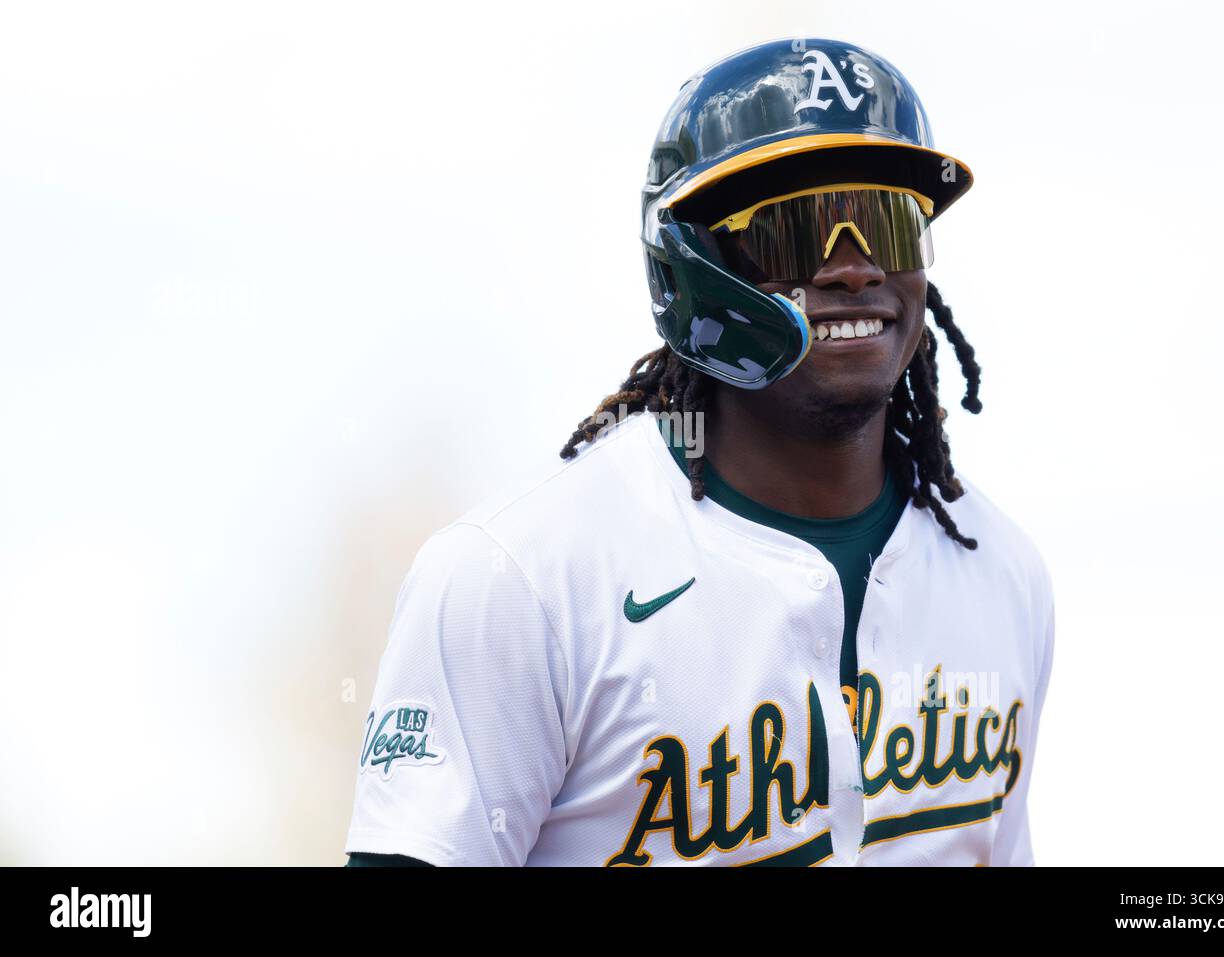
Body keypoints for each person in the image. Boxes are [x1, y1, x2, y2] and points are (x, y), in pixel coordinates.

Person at [345, 37, 1054, 867]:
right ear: (693, 266)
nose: (855, 267)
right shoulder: (522, 579)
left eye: (890, 220)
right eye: (798, 230)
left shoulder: (1002, 572)